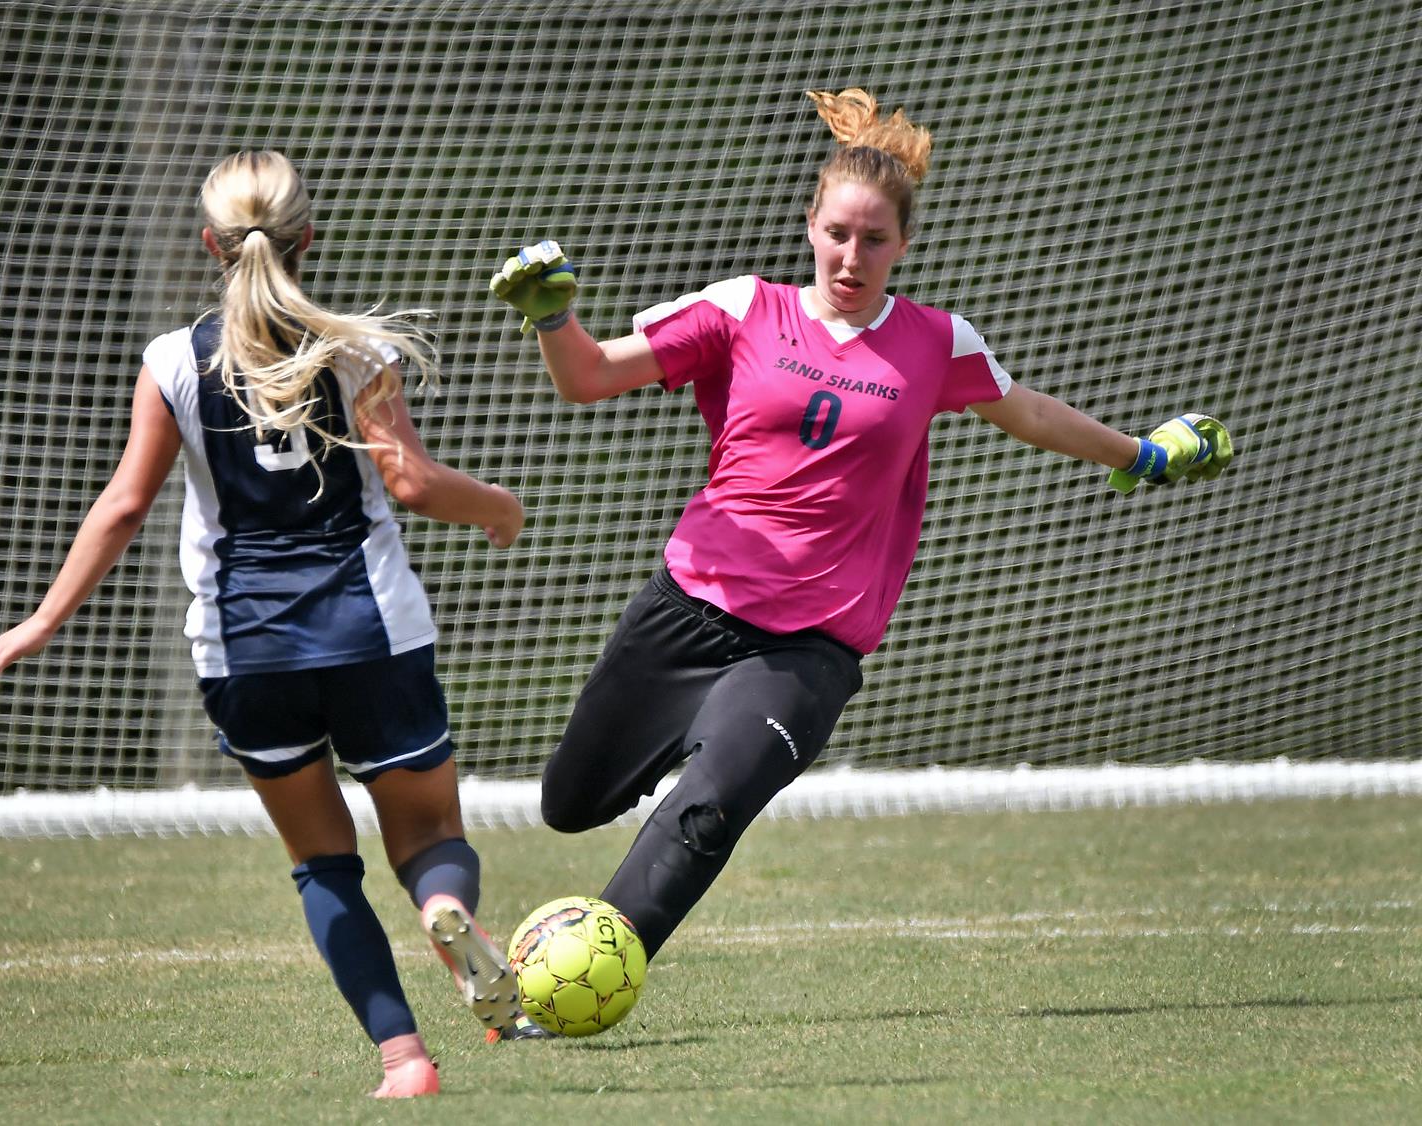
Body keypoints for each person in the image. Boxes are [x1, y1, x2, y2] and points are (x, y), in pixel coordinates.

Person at [488, 89, 1235, 961]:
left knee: (709, 809)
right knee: (568, 804)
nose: (852, 256)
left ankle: (577, 980)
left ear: (904, 244)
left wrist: (1142, 454)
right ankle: (654, 771)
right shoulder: (743, 309)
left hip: (807, 652)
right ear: (810, 226)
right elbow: (586, 377)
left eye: (875, 239)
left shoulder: (936, 342)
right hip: (686, 611)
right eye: (838, 233)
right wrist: (553, 317)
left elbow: (1030, 412)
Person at [0, 150, 545, 1100]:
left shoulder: (172, 362)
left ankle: (404, 1062)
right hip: (372, 633)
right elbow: (410, 481)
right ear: (307, 238)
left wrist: (41, 618)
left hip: (246, 650)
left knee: (322, 862)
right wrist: (498, 506)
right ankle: (444, 908)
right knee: (428, 836)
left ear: (211, 244)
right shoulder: (358, 350)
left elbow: (124, 504)